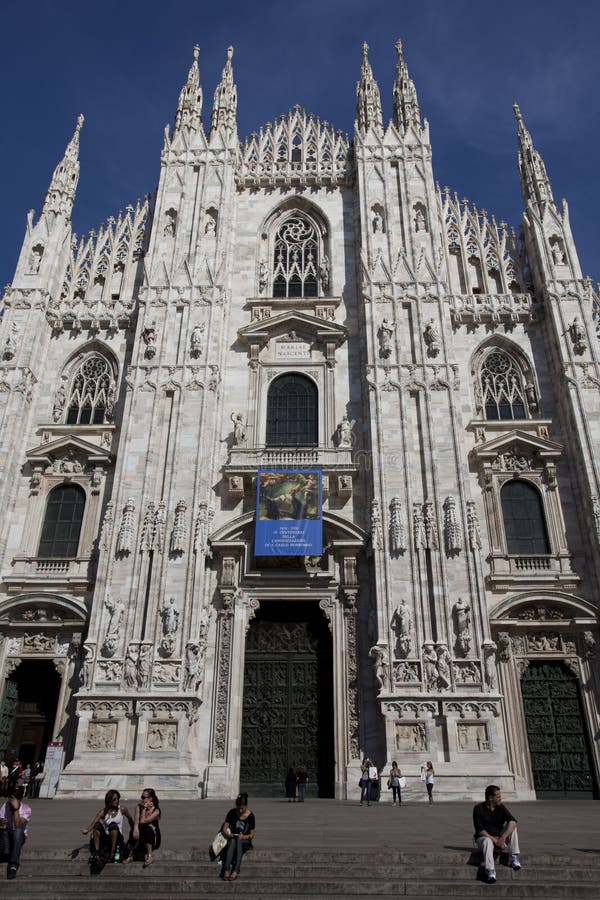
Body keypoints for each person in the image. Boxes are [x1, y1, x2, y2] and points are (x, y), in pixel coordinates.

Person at [473, 785, 521, 884]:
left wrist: (502, 838)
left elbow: (513, 821)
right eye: (498, 796)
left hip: (499, 838)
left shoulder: (501, 807)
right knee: (487, 841)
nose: (500, 798)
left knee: (513, 828)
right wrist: (495, 841)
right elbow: (480, 830)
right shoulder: (478, 808)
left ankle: (514, 857)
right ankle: (490, 871)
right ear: (490, 798)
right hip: (484, 839)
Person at [82, 789, 134, 864]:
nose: (117, 801)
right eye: (114, 799)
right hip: (107, 838)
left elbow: (130, 818)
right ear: (109, 801)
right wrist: (86, 830)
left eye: (117, 799)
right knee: (97, 825)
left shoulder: (122, 809)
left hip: (117, 837)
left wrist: (134, 829)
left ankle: (113, 851)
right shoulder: (104, 811)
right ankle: (97, 852)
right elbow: (93, 823)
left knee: (113, 825)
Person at [122, 788, 161, 867]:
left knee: (145, 827)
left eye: (144, 797)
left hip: (153, 837)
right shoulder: (138, 807)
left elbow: (143, 821)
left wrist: (144, 809)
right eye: (141, 797)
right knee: (136, 828)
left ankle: (149, 856)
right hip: (140, 835)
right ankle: (130, 855)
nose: (142, 799)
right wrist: (135, 830)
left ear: (150, 798)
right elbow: (136, 822)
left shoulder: (156, 811)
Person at [221, 793, 255, 881]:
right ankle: (227, 870)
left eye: (242, 808)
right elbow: (224, 828)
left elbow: (251, 835)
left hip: (245, 841)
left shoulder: (250, 816)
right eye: (238, 808)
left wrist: (243, 836)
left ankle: (236, 870)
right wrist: (228, 834)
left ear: (246, 806)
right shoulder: (232, 812)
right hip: (233, 838)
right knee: (233, 840)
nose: (240, 811)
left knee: (238, 841)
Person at [0, 785, 31, 879]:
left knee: (18, 831)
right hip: (6, 834)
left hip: (18, 836)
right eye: (10, 799)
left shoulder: (26, 809)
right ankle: (5, 854)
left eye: (13, 799)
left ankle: (13, 865)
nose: (10, 801)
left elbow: (18, 824)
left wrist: (16, 809)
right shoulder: (5, 806)